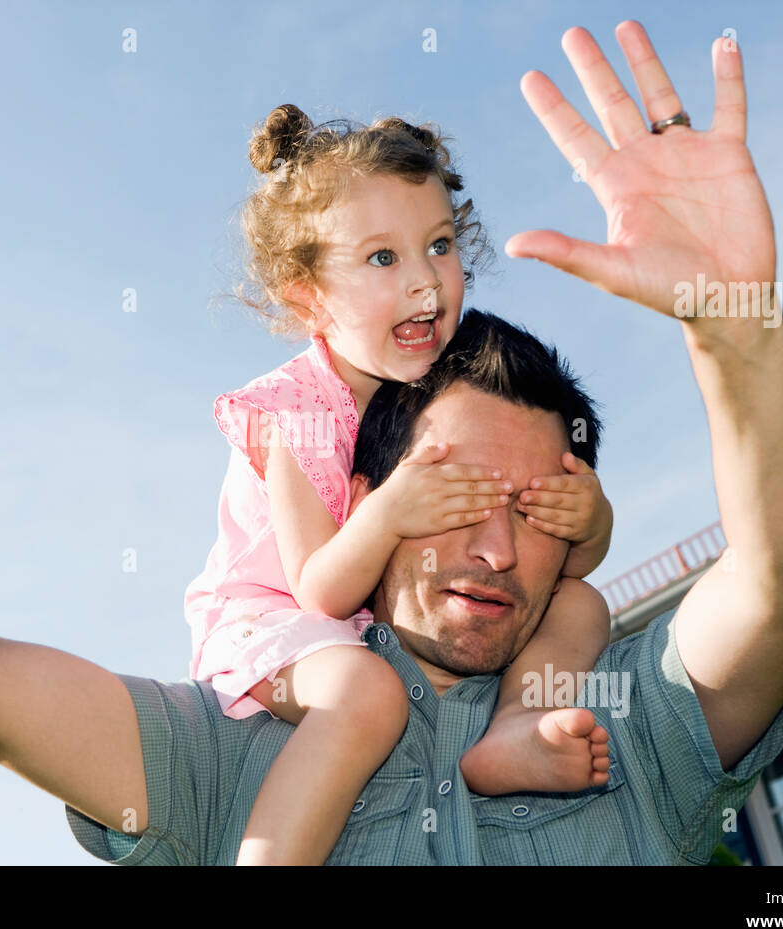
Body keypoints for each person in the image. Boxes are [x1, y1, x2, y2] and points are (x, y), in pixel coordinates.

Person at [0, 21, 783, 864]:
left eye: (534, 506)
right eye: (452, 489)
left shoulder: (615, 727)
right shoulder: (240, 754)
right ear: (367, 483)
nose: (492, 539)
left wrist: (733, 321)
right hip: (282, 644)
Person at [184, 103, 613, 866]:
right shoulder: (299, 412)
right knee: (366, 698)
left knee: (582, 603)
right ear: (306, 295)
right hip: (270, 621)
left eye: (439, 245)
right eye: (382, 259)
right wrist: (387, 513)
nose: (424, 282)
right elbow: (321, 590)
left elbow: (569, 564)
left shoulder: (417, 388)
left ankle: (518, 726)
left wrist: (590, 516)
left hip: (358, 625)